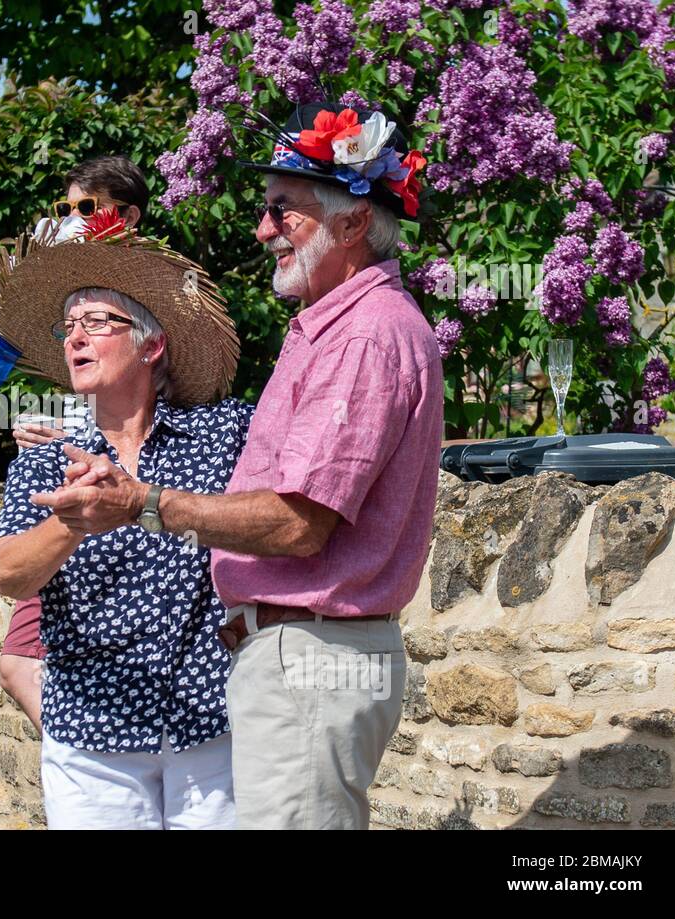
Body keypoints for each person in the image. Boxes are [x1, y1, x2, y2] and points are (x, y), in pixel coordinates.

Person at [34, 101, 441, 829]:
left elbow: (299, 522)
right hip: (299, 653)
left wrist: (145, 503)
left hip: (312, 656)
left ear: (351, 224)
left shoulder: (367, 335)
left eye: (284, 211)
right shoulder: (337, 326)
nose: (263, 229)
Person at [0, 212, 251, 829]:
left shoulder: (226, 432)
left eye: (97, 322)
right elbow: (7, 574)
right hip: (92, 740)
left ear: (152, 345)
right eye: (69, 325)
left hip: (213, 726)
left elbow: (283, 505)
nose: (75, 337)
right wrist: (71, 525)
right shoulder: (47, 462)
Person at [0, 154, 151, 732]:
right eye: (67, 208)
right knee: (16, 662)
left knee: (26, 662)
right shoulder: (70, 284)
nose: (74, 219)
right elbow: (72, 380)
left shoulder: (157, 287)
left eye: (88, 207)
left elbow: (159, 389)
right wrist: (37, 420)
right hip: (70, 470)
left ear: (127, 214)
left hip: (134, 475)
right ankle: (81, 759)